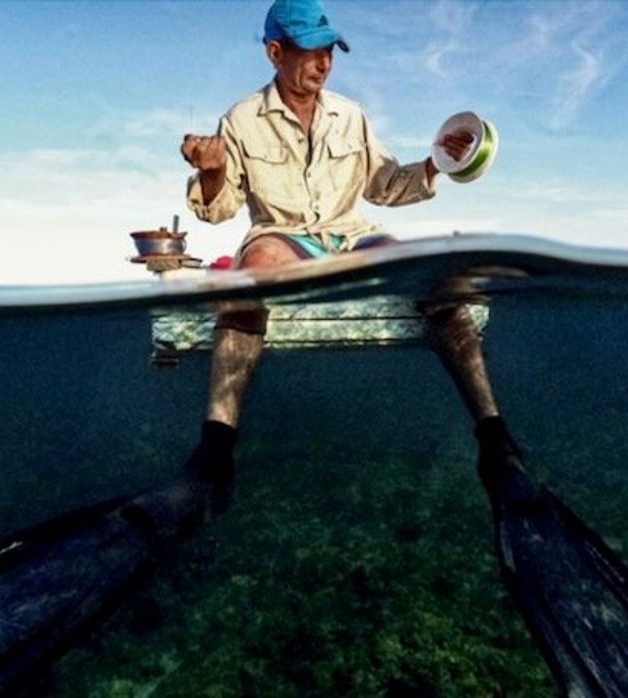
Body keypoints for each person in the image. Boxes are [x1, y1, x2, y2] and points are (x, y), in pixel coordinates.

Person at [178, 0, 522, 503]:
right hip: (284, 237)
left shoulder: (350, 115)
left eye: (330, 51)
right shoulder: (240, 120)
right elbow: (219, 209)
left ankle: (494, 437)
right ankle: (215, 451)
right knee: (250, 275)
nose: (324, 63)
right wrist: (211, 171)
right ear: (276, 52)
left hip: (353, 236)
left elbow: (382, 183)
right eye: (311, 51)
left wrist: (435, 164)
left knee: (440, 276)